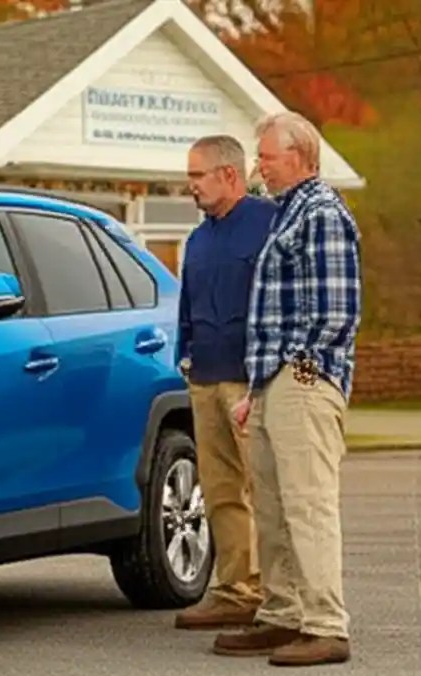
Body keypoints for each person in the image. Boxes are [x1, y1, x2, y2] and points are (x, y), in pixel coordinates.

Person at [218, 112, 362, 666]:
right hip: (274, 381)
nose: (260, 168)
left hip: (303, 380)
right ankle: (282, 614)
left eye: (267, 157)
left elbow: (335, 311)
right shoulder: (287, 212)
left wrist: (298, 372)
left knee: (308, 504)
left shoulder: (322, 213)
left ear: (299, 157)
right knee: (273, 506)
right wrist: (259, 390)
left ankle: (325, 625)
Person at [173, 135, 276, 631]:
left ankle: (278, 596)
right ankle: (236, 590)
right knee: (219, 491)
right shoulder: (198, 240)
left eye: (198, 175)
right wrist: (185, 354)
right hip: (205, 379)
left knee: (266, 491)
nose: (190, 185)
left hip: (251, 382)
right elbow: (188, 304)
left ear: (229, 175)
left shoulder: (269, 224)